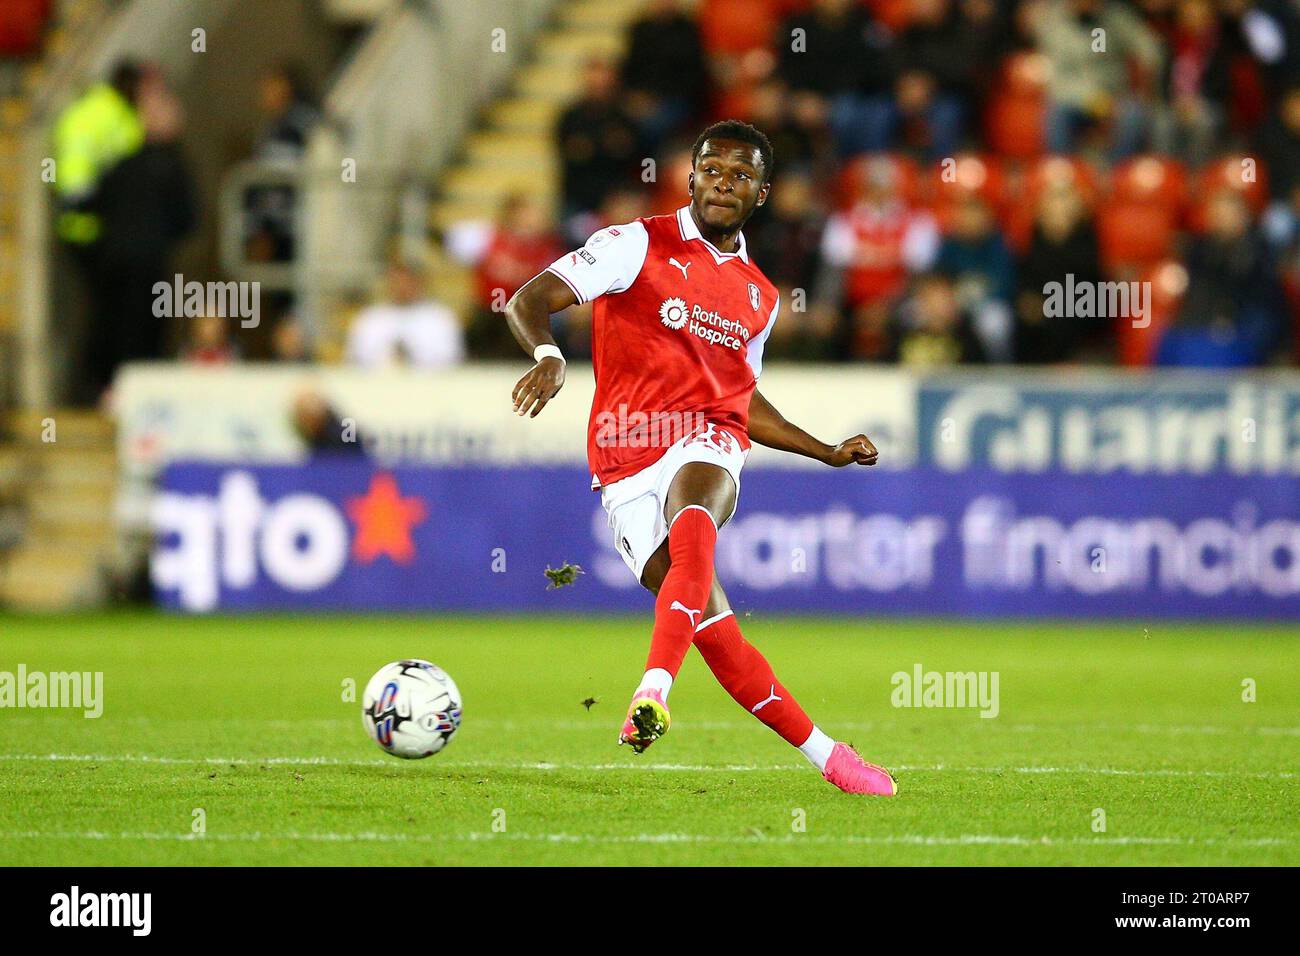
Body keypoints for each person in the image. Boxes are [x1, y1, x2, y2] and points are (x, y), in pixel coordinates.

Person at [504, 120, 897, 796]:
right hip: (625, 455)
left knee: (697, 510)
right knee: (718, 636)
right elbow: (530, 299)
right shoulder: (635, 244)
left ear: (761, 193)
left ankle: (653, 688)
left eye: (740, 175)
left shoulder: (760, 296)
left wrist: (824, 450)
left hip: (707, 436)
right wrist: (548, 353)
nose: (722, 184)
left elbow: (740, 401)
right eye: (711, 170)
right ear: (691, 177)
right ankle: (830, 756)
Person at [346, 260, 465, 370]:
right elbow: (354, 361)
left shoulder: (440, 318)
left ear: (420, 282)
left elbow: (453, 361)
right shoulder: (369, 318)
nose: (401, 286)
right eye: (396, 281)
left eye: (407, 281)